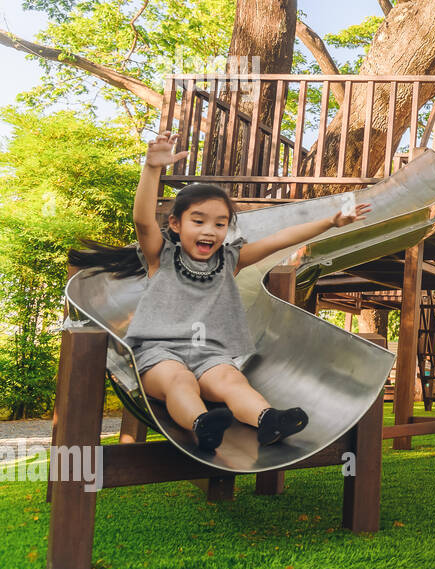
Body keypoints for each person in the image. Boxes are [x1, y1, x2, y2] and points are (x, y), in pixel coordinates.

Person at [68, 131, 371, 452]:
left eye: (219, 224)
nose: (209, 230)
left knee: (230, 379)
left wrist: (330, 223)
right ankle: (202, 424)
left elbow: (281, 238)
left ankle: (267, 419)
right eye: (198, 221)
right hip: (160, 354)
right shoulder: (161, 257)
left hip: (208, 354)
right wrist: (152, 168)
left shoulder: (229, 260)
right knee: (178, 380)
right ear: (175, 225)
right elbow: (143, 221)